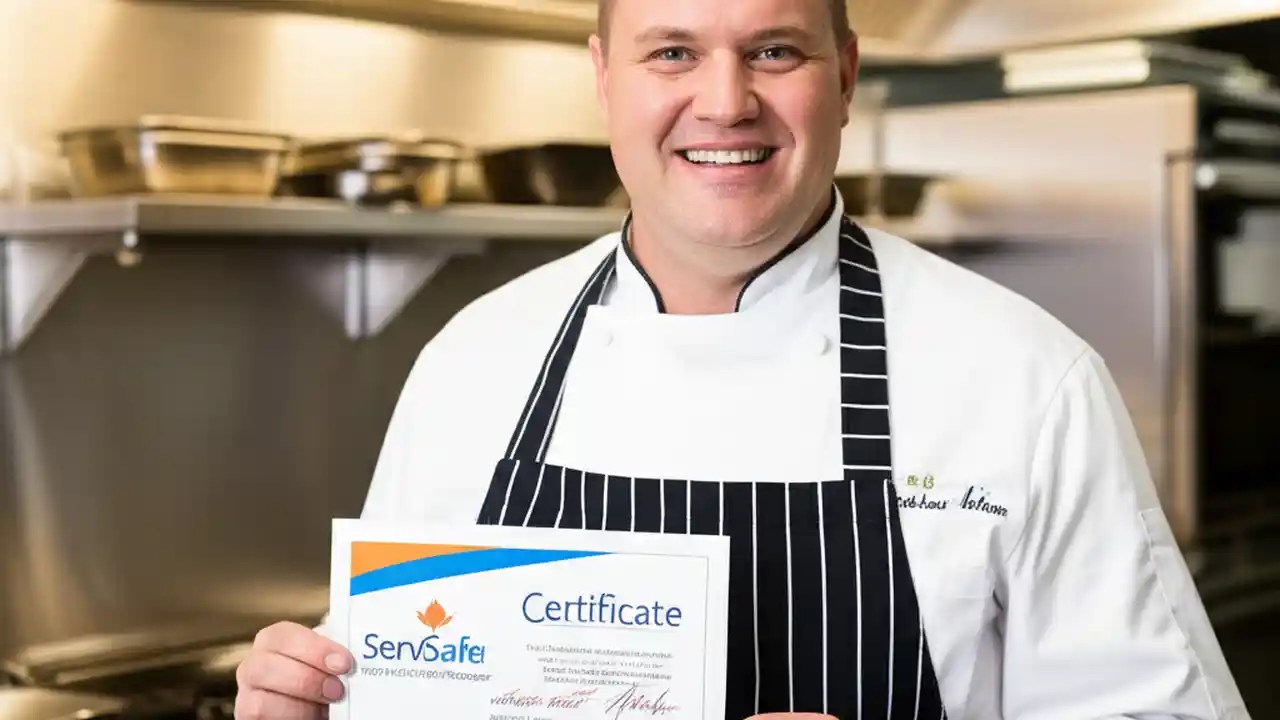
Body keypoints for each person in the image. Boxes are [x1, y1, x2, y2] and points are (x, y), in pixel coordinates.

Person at [234, 0, 1250, 717]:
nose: (724, 103)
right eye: (670, 52)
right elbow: (405, 681)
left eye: (772, 51)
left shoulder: (1023, 380)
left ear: (844, 74)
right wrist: (315, 704)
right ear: (602, 79)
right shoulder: (474, 364)